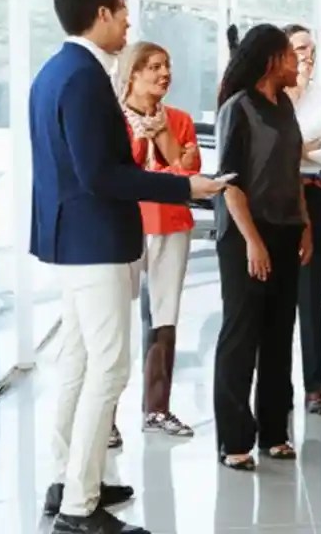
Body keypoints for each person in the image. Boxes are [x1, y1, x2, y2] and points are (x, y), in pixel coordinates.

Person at [30, 0, 226, 534]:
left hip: (70, 239)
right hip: (96, 242)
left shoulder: (53, 72)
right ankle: (78, 507)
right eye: (122, 8)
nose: (128, 20)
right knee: (109, 367)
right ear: (101, 14)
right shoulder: (86, 77)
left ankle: (68, 479)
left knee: (78, 361)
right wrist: (185, 186)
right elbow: (100, 174)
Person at [213, 23, 313, 470]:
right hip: (244, 234)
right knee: (242, 334)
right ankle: (234, 439)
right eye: (292, 55)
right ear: (273, 60)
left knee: (279, 333)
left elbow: (293, 174)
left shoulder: (286, 107)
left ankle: (274, 432)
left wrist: (305, 225)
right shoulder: (238, 108)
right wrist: (253, 242)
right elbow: (230, 185)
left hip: (287, 229)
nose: (299, 63)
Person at [116, 41, 199, 438]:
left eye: (167, 66)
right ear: (132, 73)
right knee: (114, 314)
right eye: (153, 67)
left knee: (165, 314)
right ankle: (106, 416)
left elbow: (187, 171)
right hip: (125, 225)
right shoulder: (112, 119)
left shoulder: (179, 119)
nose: (164, 74)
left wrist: (162, 132)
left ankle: (157, 409)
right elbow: (120, 172)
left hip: (171, 223)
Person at [283, 24, 321, 416]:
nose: (309, 55)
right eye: (301, 48)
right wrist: (305, 147)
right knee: (276, 298)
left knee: (311, 294)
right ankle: (278, 385)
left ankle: (315, 385)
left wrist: (298, 153)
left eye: (312, 49)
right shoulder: (271, 97)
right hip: (278, 200)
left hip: (316, 197)